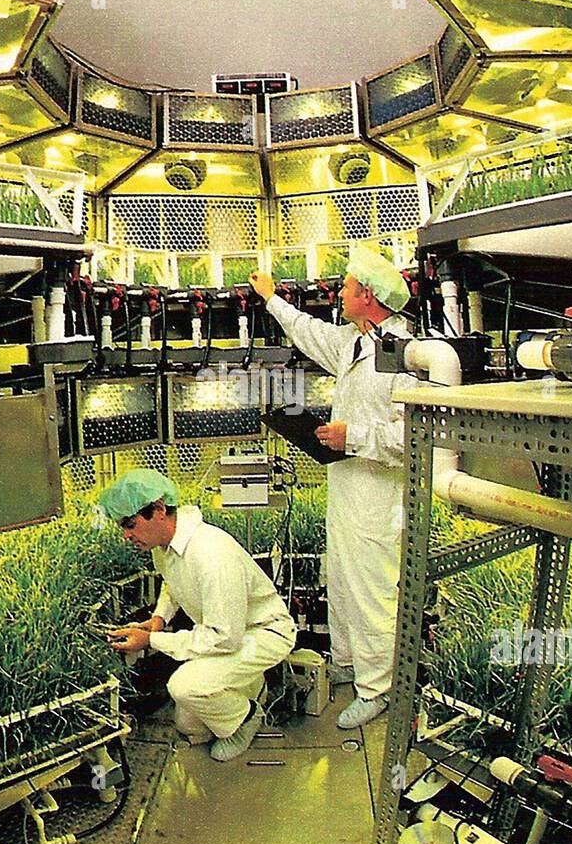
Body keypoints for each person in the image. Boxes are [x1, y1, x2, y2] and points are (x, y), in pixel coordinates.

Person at [248, 244, 417, 729]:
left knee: (371, 590)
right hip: (347, 484)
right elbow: (307, 331)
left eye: (345, 287)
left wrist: (353, 436)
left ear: (366, 295)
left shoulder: (406, 355)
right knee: (341, 579)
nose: (338, 294)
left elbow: (415, 437)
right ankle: (348, 660)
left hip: (379, 492)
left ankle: (377, 688)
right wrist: (271, 298)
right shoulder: (353, 342)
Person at [100, 468, 298, 761]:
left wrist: (151, 640)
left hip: (262, 634)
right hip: (229, 633)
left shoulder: (210, 555)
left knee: (185, 686)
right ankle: (251, 687)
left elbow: (225, 638)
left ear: (158, 510)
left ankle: (247, 717)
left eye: (130, 524)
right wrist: (159, 619)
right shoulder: (164, 544)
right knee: (189, 725)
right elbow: (172, 581)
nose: (127, 535)